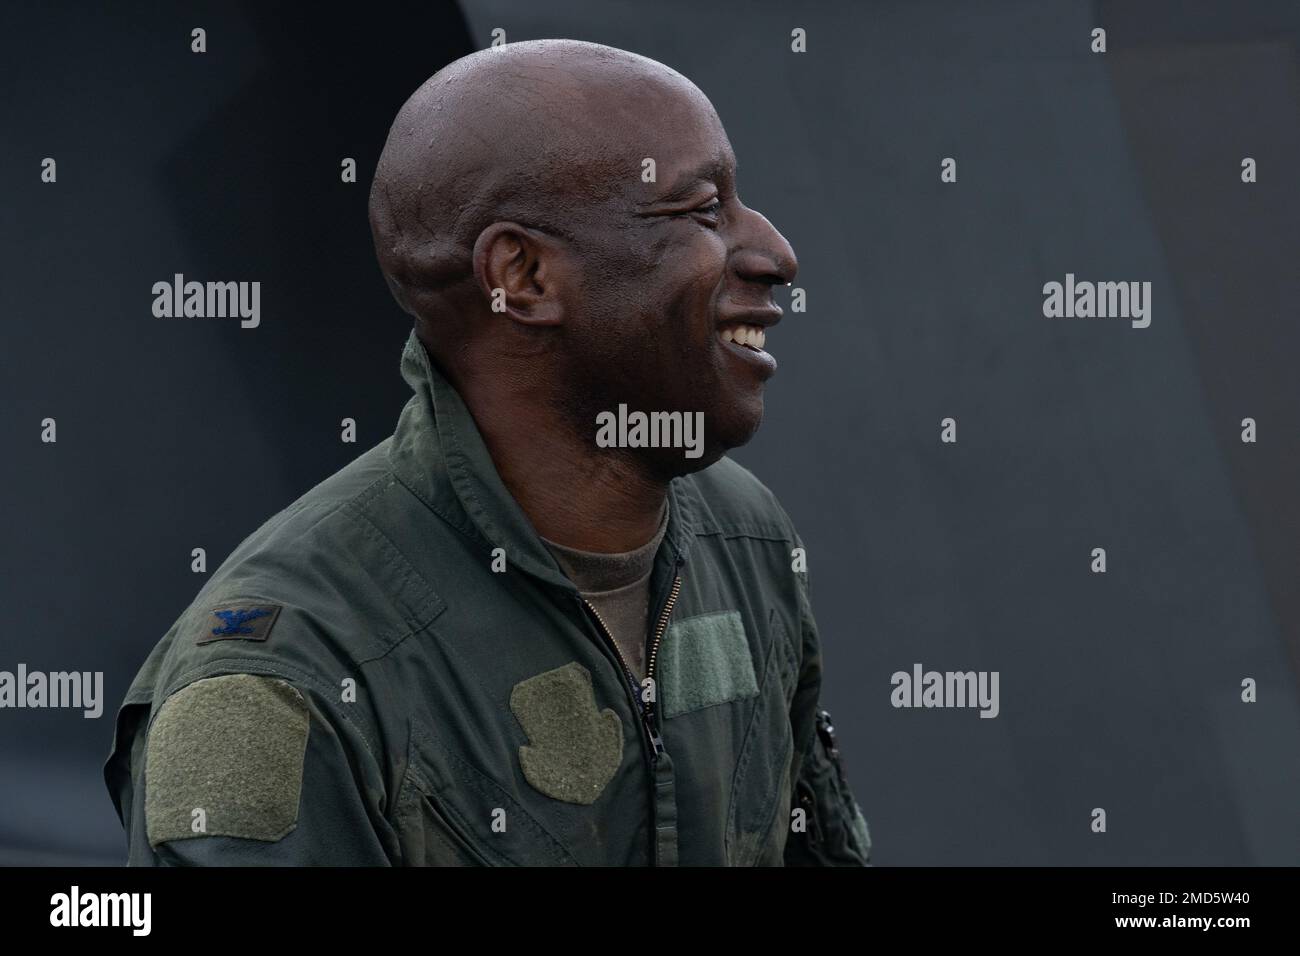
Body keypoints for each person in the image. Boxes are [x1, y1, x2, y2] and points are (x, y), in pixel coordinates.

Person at [104, 38, 871, 866]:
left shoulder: (745, 538)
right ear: (526, 274)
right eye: (702, 211)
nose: (774, 254)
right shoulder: (281, 680)